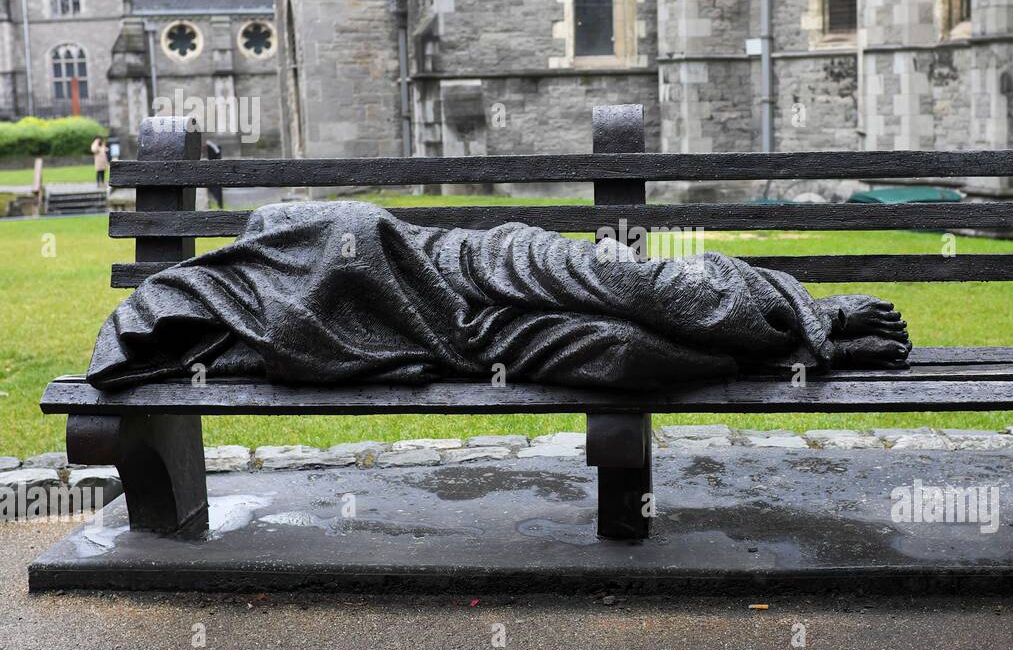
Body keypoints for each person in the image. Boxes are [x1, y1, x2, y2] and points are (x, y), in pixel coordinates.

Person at [88, 200, 911, 391]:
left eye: (159, 335)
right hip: (466, 342)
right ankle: (804, 347)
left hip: (470, 266)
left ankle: (810, 312)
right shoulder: (224, 348)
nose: (165, 342)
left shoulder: (267, 237)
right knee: (627, 353)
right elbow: (335, 359)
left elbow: (364, 233)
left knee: (644, 284)